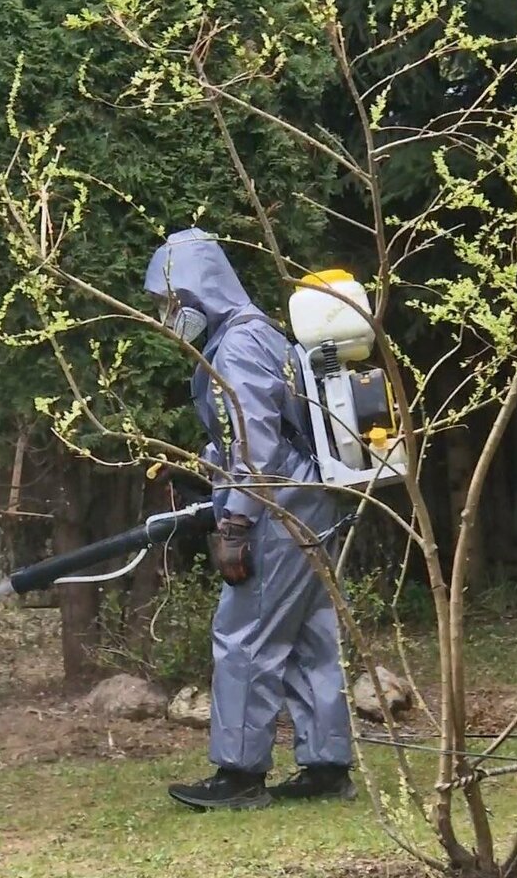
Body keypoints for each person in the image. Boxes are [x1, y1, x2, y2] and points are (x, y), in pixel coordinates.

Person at [144, 228, 354, 810]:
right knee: (311, 636)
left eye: (170, 302)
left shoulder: (236, 346)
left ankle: (238, 776)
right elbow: (259, 434)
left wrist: (234, 523)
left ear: (197, 292)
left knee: (244, 634)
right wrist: (200, 468)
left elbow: (255, 446)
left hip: (275, 505)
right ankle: (327, 767)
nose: (167, 316)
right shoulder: (263, 334)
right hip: (308, 495)